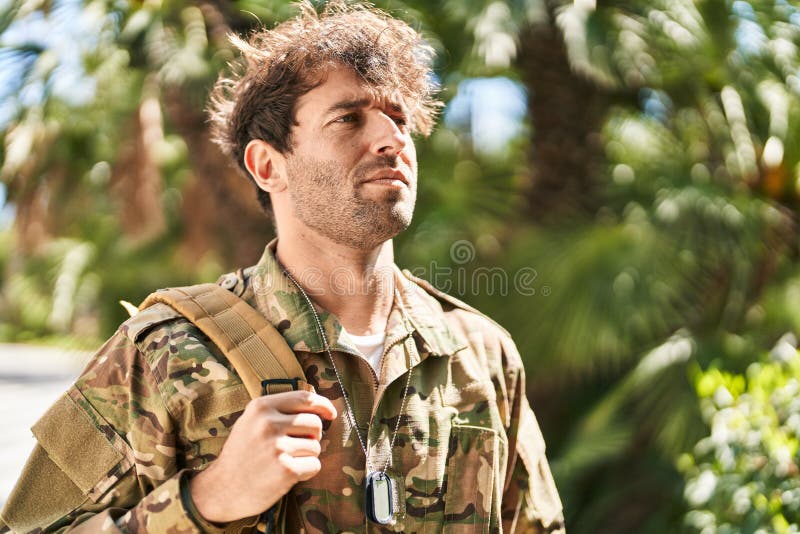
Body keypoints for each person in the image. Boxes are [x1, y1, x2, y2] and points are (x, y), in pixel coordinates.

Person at [0, 2, 565, 532]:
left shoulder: (480, 353)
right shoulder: (161, 353)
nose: (393, 139)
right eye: (349, 118)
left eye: (398, 118)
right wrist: (209, 501)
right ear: (269, 165)